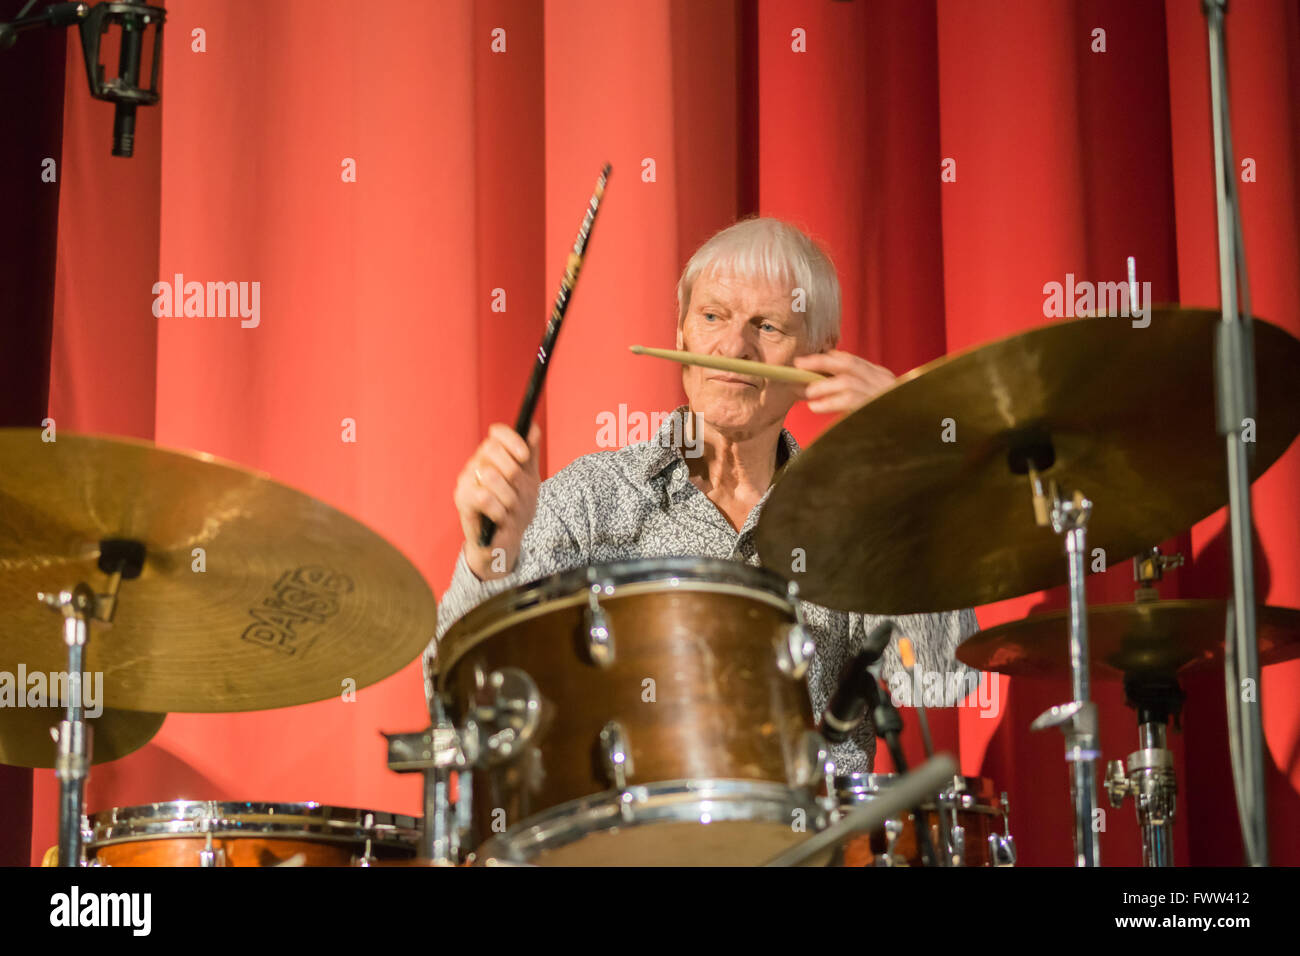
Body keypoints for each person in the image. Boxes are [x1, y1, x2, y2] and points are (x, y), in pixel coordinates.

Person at [425, 217, 979, 772]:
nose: (733, 346)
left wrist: (911, 464)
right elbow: (465, 713)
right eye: (712, 316)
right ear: (681, 335)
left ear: (819, 354)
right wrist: (489, 560)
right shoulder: (588, 499)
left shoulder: (859, 514)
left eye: (768, 327)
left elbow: (941, 679)